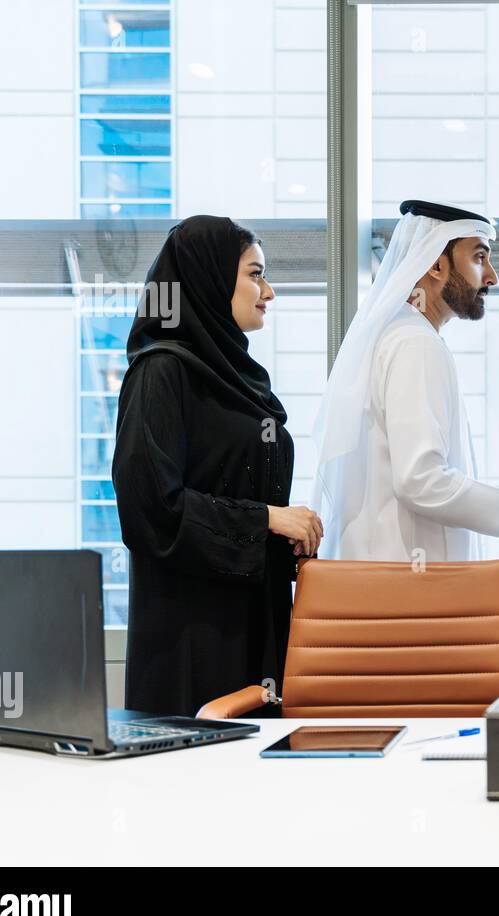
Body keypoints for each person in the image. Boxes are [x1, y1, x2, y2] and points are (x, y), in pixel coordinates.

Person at [113, 215, 323, 715]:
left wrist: (282, 538)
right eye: (255, 274)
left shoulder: (238, 378)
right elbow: (150, 510)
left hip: (255, 621)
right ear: (207, 279)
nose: (268, 292)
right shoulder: (160, 372)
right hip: (192, 636)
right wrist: (267, 519)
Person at [311, 200, 499, 561]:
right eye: (479, 257)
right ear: (436, 264)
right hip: (407, 593)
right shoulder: (415, 343)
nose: (492, 276)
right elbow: (420, 480)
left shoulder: (400, 335)